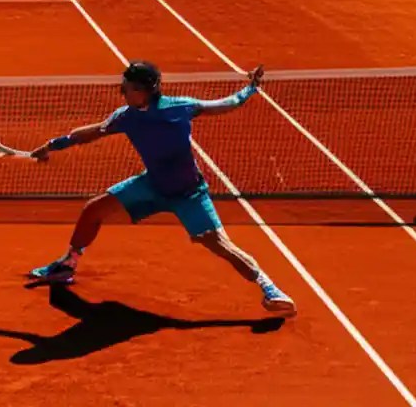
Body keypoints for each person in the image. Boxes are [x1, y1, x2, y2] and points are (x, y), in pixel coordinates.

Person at [27, 60, 296, 315]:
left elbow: (225, 104)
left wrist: (251, 89)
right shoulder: (125, 116)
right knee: (94, 210)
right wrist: (52, 145)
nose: (122, 92)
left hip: (188, 193)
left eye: (129, 88)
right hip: (152, 184)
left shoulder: (180, 107)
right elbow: (91, 133)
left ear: (147, 90)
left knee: (218, 244)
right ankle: (68, 263)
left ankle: (269, 289)